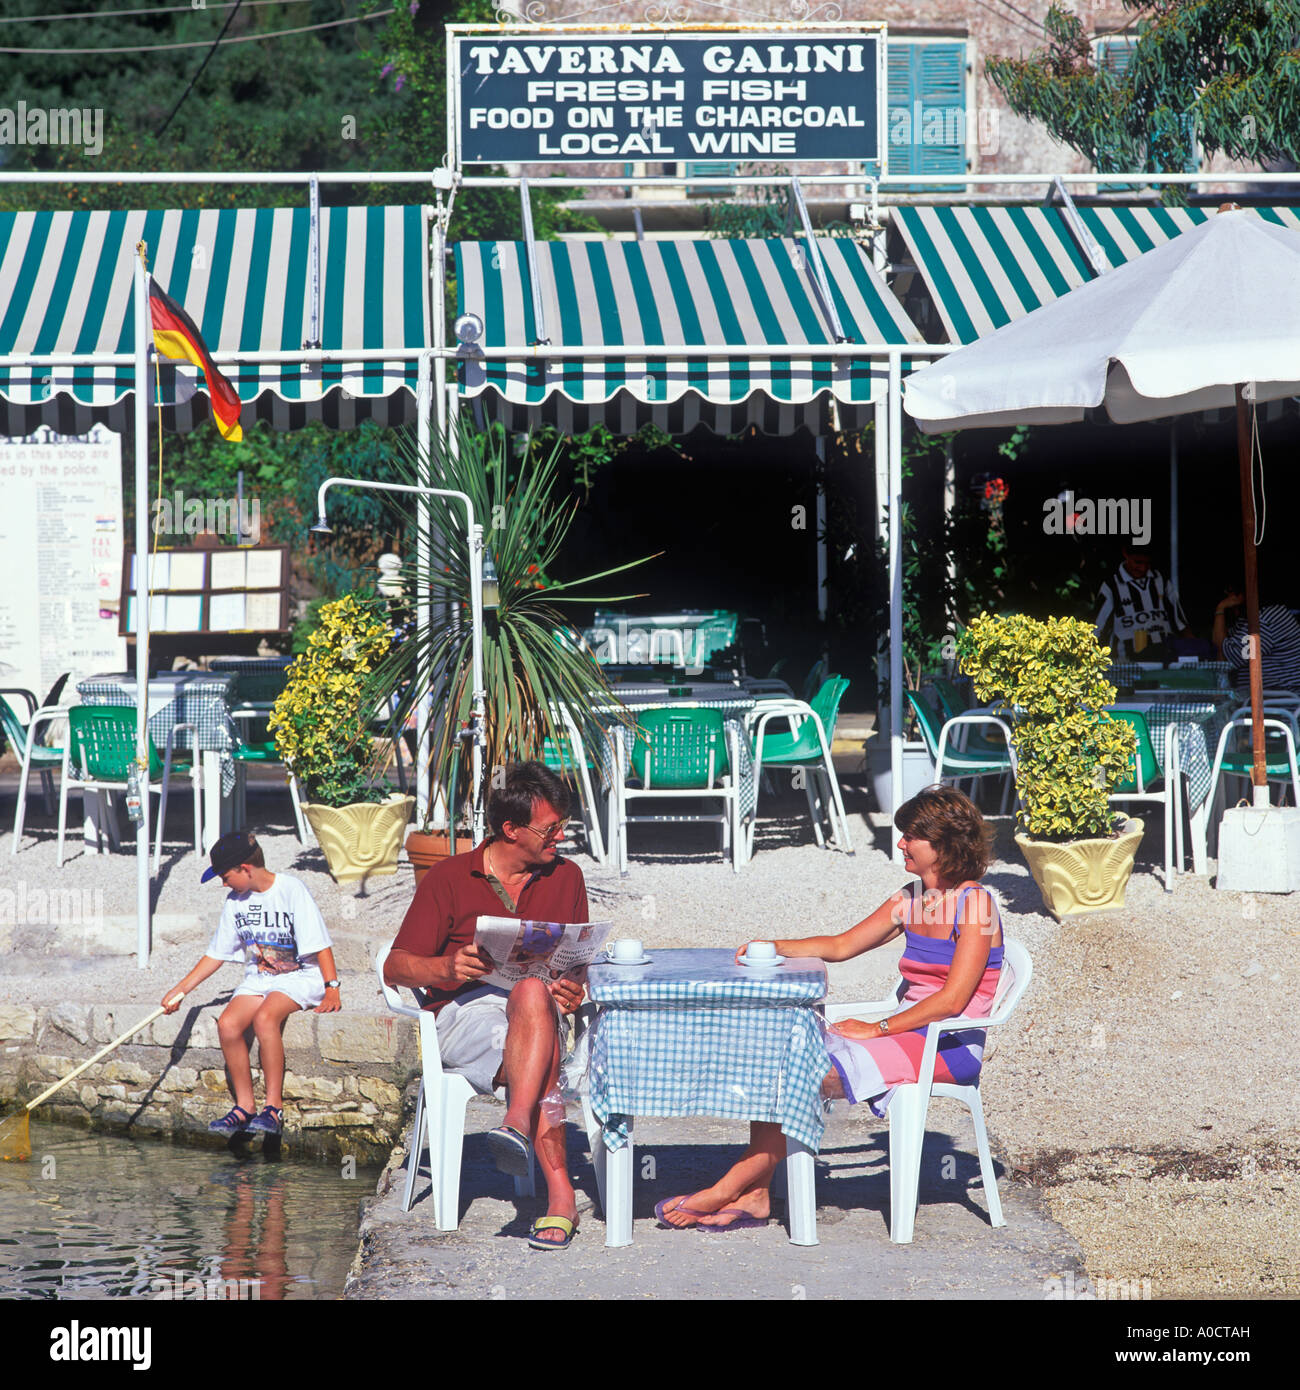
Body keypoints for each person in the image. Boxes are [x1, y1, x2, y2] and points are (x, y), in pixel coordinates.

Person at [657, 785, 1004, 1231]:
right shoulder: (912, 896)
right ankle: (758, 1195)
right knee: (780, 1059)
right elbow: (842, 945)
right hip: (906, 1032)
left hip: (947, 1042)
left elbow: (954, 1000)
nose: (899, 843)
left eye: (910, 836)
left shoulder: (976, 906)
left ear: (944, 844)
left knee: (810, 1075)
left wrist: (878, 1028)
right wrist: (775, 945)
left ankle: (726, 1189)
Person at [384, 762, 587, 1251]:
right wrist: (447, 968)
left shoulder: (567, 876)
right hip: (462, 1013)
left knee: (535, 993)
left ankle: (514, 1123)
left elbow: (578, 957)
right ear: (510, 829)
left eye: (563, 824)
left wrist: (576, 985)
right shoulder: (449, 877)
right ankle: (560, 1197)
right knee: (539, 1041)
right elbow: (396, 966)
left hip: (536, 1011)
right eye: (550, 828)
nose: (561, 835)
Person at [162, 829, 341, 1137]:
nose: (223, 883)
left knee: (265, 1017)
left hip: (300, 976)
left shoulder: (291, 889)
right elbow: (215, 955)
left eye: (225, 875)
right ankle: (245, 1106)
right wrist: (180, 990)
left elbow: (320, 942)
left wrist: (332, 987)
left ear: (245, 869)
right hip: (259, 979)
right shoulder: (235, 902)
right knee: (228, 1024)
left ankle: (274, 1107)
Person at [1094, 541, 1192, 661]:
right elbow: (1096, 630)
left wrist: (1195, 651)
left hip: (1163, 661)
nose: (1143, 568)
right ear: (1126, 554)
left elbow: (1181, 625)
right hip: (1126, 664)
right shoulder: (1111, 586)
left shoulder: (1161, 581)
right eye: (1138, 562)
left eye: (1147, 563)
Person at [1213, 587, 1300, 694]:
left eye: (1230, 591)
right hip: (1269, 695)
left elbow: (1228, 655)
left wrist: (1220, 609)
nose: (1226, 595)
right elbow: (1223, 645)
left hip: (1281, 698)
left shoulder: (1266, 619)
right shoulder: (1248, 620)